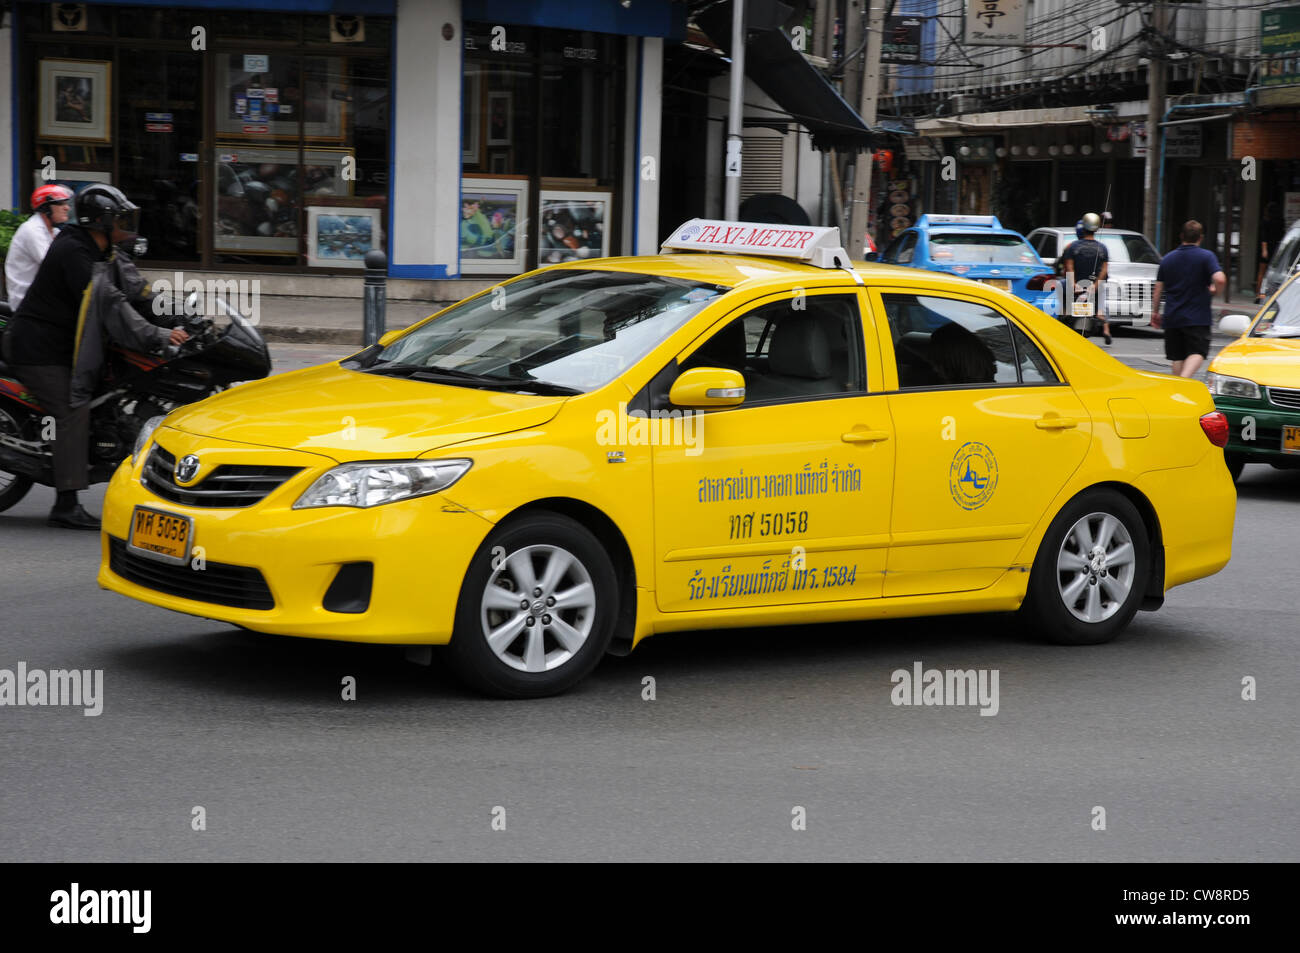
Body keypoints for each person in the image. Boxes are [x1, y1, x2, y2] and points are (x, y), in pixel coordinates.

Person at [2, 185, 188, 529]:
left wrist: (180, 317)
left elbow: (138, 291)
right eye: (120, 219)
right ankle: (66, 503)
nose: (126, 225)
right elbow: (111, 305)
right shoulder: (74, 251)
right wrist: (159, 336)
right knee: (73, 410)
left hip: (69, 346)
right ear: (100, 221)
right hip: (39, 349)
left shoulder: (106, 251)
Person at [1151, 220, 1226, 379]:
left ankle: (1180, 387)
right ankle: (1183, 380)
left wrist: (1155, 312)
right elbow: (1220, 279)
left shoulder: (1167, 259)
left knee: (1177, 356)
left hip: (1173, 316)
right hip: (1197, 317)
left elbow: (1158, 289)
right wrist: (1215, 291)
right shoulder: (1206, 257)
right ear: (1201, 238)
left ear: (1181, 236)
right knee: (1198, 352)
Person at [5, 184, 73, 311]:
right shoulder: (32, 230)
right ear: (46, 208)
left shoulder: (54, 232)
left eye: (66, 203)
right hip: (27, 305)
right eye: (60, 203)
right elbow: (54, 265)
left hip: (44, 299)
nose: (67, 208)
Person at [1061, 211, 1112, 346]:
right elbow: (1104, 270)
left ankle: (1064, 312)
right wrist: (1095, 286)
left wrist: (1073, 285)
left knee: (1059, 285)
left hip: (1076, 288)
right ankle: (1101, 316)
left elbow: (1069, 268)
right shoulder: (1102, 248)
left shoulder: (1073, 247)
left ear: (1082, 227)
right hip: (1093, 289)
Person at [1257, 201, 1285, 303]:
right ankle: (1271, 295)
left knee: (1262, 272)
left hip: (1267, 248)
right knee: (1274, 272)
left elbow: (1264, 237)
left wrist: (1264, 250)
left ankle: (1259, 294)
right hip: (1277, 248)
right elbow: (1282, 235)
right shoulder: (1281, 221)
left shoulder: (1265, 221)